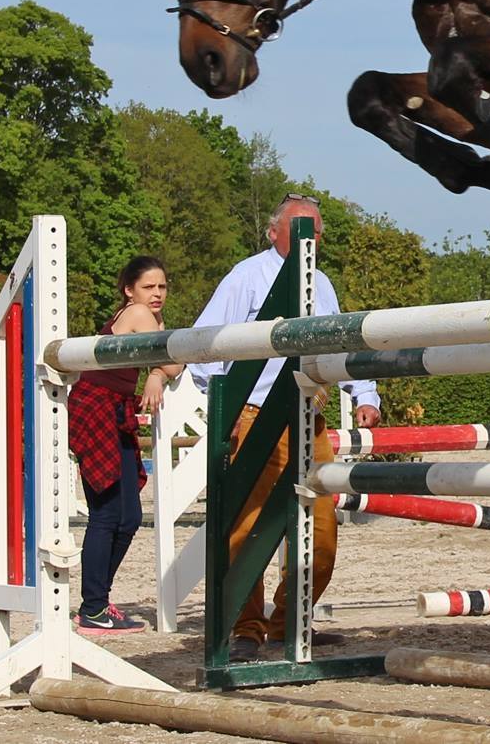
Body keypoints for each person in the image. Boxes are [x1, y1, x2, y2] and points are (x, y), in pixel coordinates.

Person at [180, 194, 382, 659]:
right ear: (274, 233)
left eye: (317, 231)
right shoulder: (246, 277)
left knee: (323, 526)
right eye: (300, 229)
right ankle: (245, 626)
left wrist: (364, 392)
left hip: (307, 415)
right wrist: (227, 403)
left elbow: (339, 341)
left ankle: (290, 621)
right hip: (252, 415)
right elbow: (203, 342)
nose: (312, 240)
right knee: (246, 526)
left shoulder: (323, 284)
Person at [66, 255, 169, 635]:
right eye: (149, 287)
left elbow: (170, 363)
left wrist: (155, 374)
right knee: (108, 514)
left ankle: (95, 603)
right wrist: (160, 370)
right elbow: (174, 360)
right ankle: (92, 608)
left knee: (128, 518)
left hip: (117, 409)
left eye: (161, 287)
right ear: (130, 290)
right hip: (97, 407)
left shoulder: (151, 318)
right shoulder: (139, 314)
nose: (157, 294)